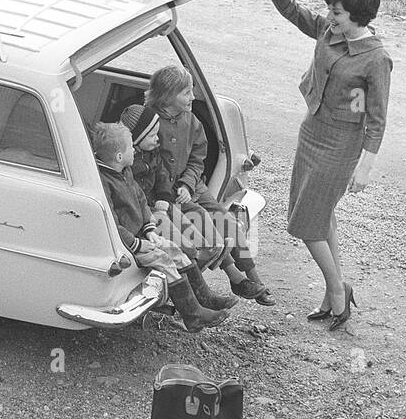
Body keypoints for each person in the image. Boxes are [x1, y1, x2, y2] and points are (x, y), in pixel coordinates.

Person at [268, 0, 393, 330]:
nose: (330, 18)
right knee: (320, 216)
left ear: (357, 14)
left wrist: (365, 166)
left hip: (341, 145)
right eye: (331, 11)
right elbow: (290, 9)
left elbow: (377, 117)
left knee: (306, 223)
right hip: (312, 132)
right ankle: (336, 290)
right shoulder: (329, 30)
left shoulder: (376, 58)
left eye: (337, 12)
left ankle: (336, 290)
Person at [146, 66, 274, 305]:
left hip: (193, 186)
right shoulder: (149, 122)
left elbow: (198, 157)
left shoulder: (191, 121)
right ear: (167, 95)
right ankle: (237, 278)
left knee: (230, 224)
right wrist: (178, 189)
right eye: (186, 93)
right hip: (165, 194)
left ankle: (253, 276)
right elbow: (154, 165)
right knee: (206, 226)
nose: (193, 97)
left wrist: (188, 182)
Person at [91, 121, 231, 332]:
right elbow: (110, 222)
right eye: (131, 148)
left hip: (142, 234)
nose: (133, 152)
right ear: (119, 156)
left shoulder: (124, 171)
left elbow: (140, 199)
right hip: (127, 243)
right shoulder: (104, 181)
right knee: (164, 259)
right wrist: (136, 243)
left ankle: (205, 298)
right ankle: (192, 314)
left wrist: (149, 228)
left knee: (175, 251)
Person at [120, 103, 235, 311]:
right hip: (149, 213)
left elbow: (162, 174)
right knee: (182, 244)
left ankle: (204, 264)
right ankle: (195, 286)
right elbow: (135, 195)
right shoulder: (129, 164)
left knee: (189, 228)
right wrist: (156, 208)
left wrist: (165, 196)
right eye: (152, 135)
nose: (157, 139)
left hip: (162, 203)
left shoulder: (151, 152)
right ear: (136, 139)